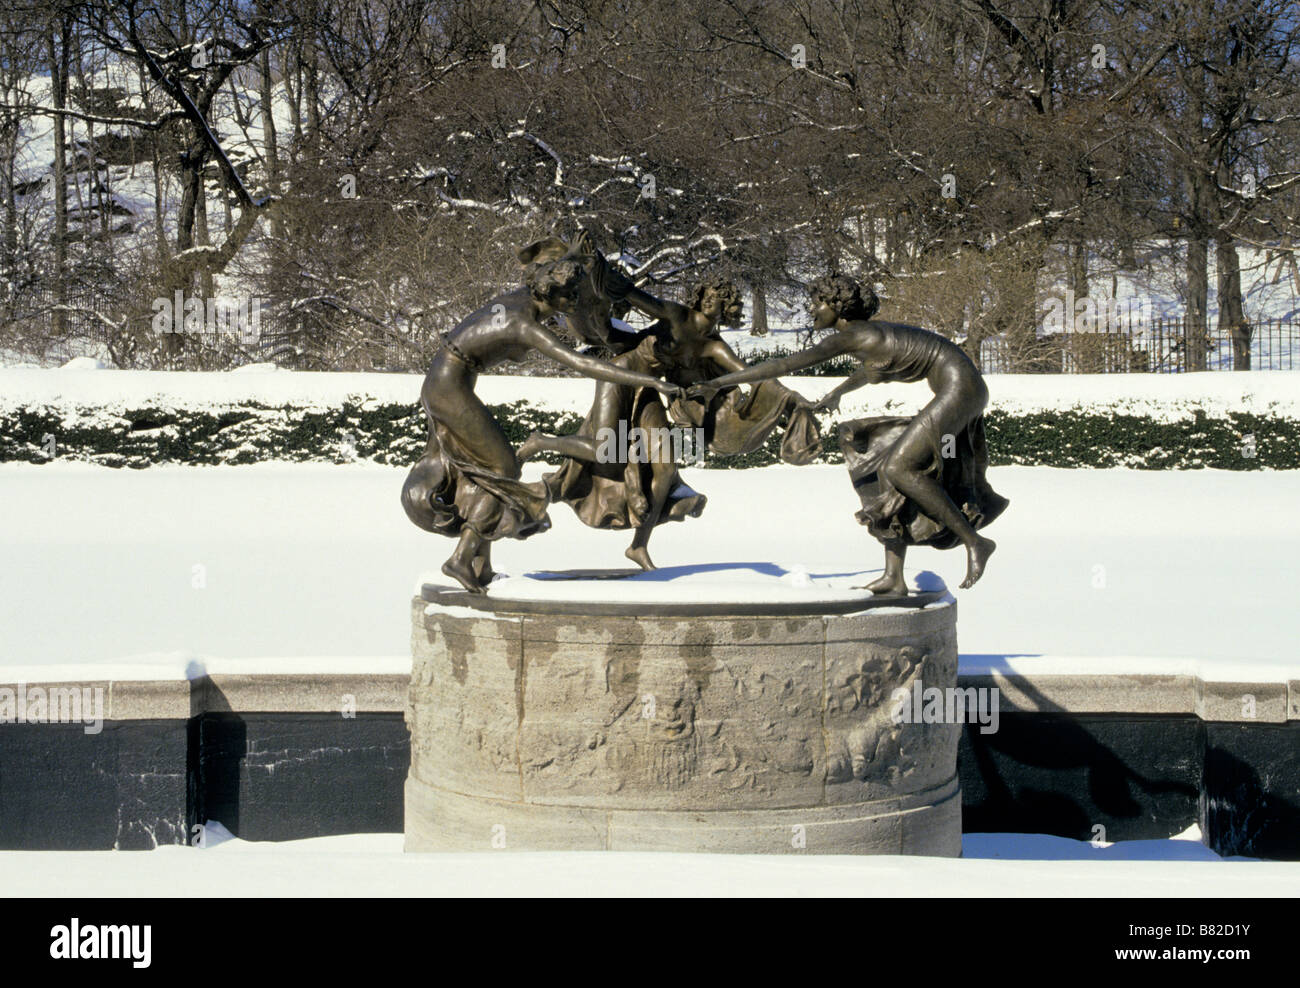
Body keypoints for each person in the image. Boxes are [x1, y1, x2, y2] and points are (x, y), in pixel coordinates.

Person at [690, 274, 1006, 592]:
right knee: (886, 472)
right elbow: (870, 370)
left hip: (959, 388)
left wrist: (718, 383)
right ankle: (894, 577)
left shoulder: (851, 335)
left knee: (898, 467)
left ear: (838, 307)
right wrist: (837, 393)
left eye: (818, 303)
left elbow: (785, 364)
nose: (812, 310)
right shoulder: (867, 336)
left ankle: (975, 541)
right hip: (960, 386)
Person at [401, 256, 683, 593]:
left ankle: (481, 564)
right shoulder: (524, 324)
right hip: (449, 388)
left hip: (443, 382)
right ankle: (461, 558)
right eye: (569, 298)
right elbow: (583, 364)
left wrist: (577, 254)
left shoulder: (524, 296)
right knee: (504, 467)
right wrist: (649, 382)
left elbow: (560, 265)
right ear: (550, 293)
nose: (572, 305)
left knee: (486, 472)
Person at [519, 275, 819, 570]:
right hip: (617, 376)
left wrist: (790, 402)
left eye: (718, 300)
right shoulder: (677, 315)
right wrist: (598, 270)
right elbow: (633, 294)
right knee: (605, 450)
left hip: (650, 387)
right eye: (707, 296)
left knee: (666, 465)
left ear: (727, 310)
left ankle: (638, 545)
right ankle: (541, 441)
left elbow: (751, 375)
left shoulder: (713, 346)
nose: (709, 301)